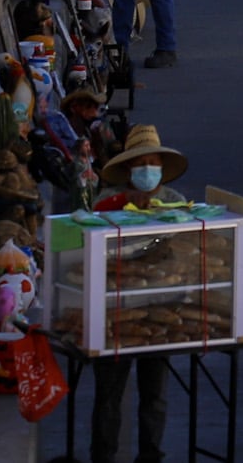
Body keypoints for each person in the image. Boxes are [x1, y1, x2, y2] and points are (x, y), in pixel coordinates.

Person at [88, 126, 189, 463]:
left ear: (161, 166)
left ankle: (151, 455)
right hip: (115, 308)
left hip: (160, 305)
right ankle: (104, 456)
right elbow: (92, 227)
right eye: (140, 164)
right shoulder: (108, 199)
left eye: (152, 162)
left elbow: (185, 248)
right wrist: (125, 202)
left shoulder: (175, 201)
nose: (147, 169)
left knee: (155, 393)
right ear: (129, 170)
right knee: (109, 394)